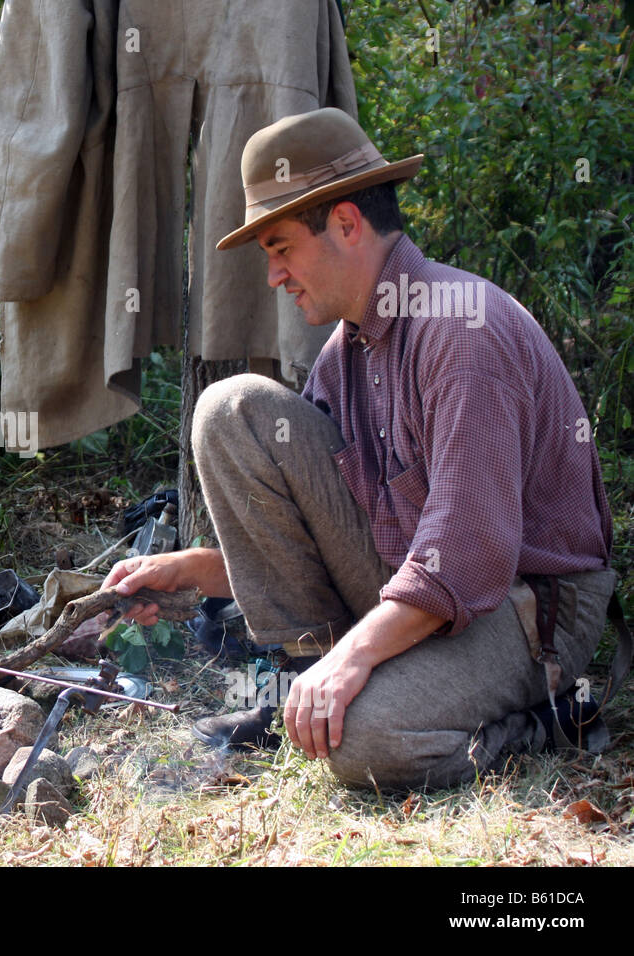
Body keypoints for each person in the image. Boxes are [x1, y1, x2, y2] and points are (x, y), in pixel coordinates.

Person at [105, 107, 617, 790]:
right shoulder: (347, 350)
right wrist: (198, 572)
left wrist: (354, 661)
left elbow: (469, 556)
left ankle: (542, 723)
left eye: (282, 248)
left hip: (526, 607)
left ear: (346, 223)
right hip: (428, 583)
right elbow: (324, 533)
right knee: (232, 410)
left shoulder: (463, 334)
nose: (274, 276)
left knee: (364, 742)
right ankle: (305, 681)